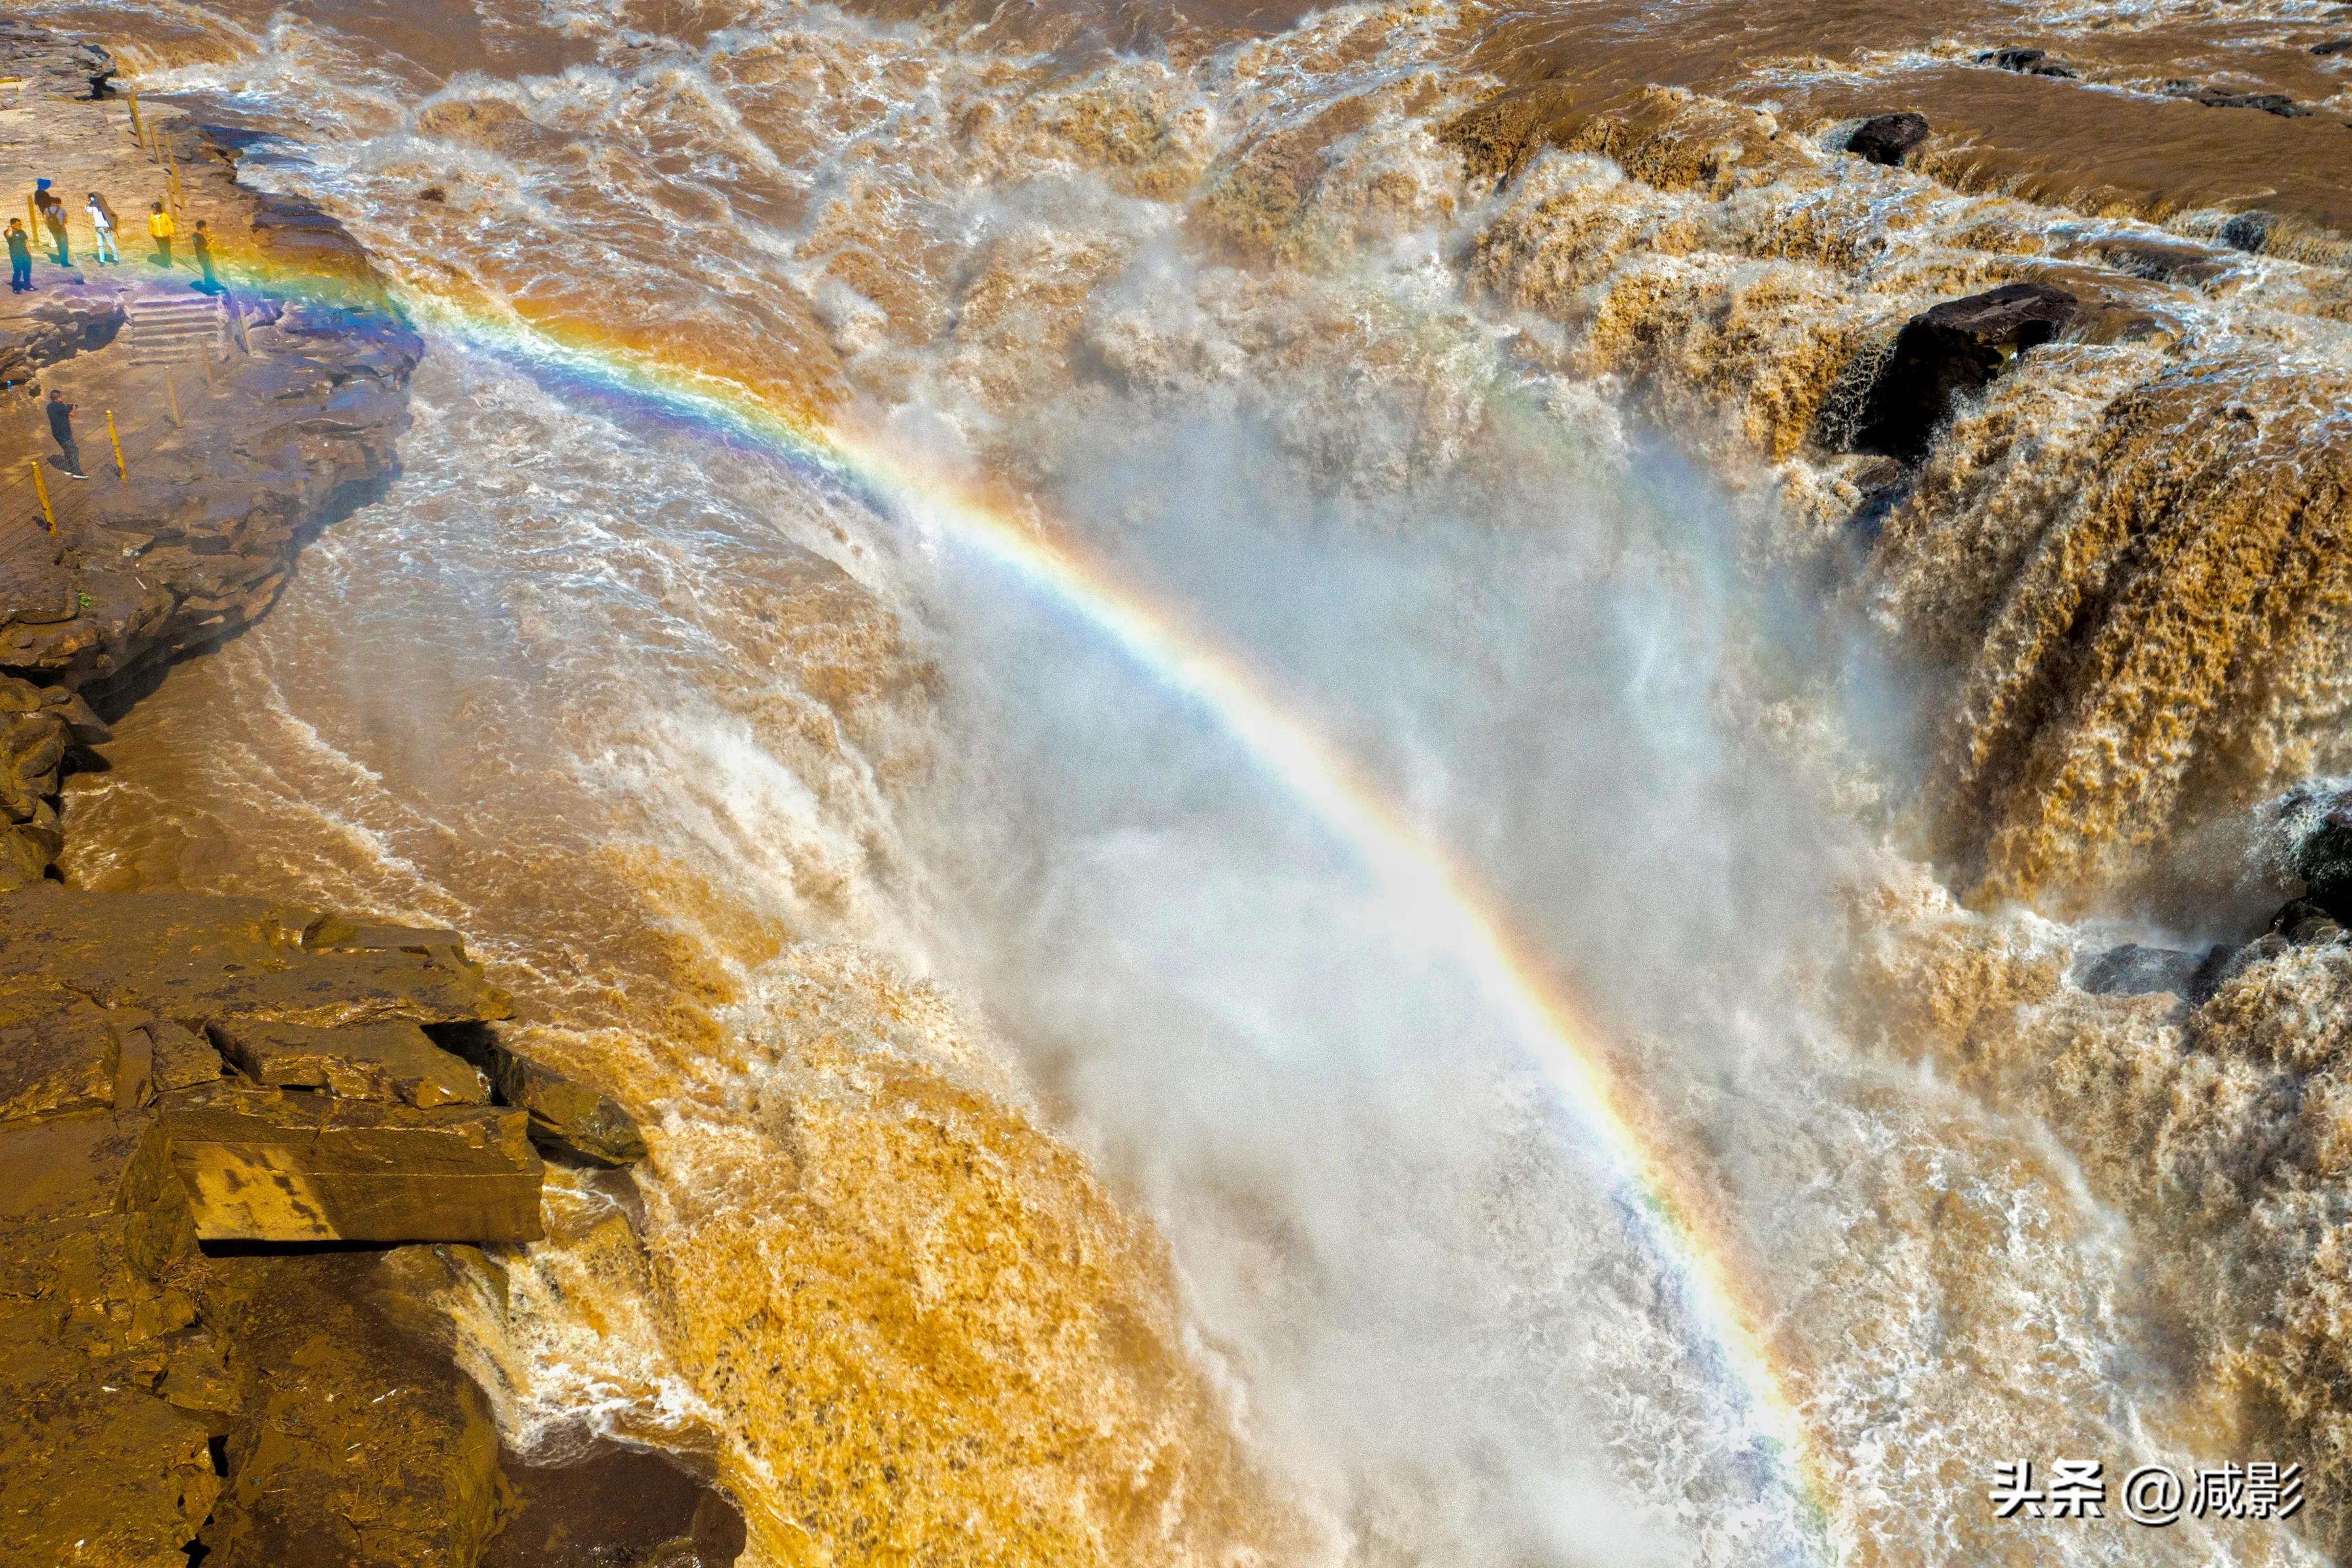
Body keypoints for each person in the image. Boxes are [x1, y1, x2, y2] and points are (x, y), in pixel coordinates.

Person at [46, 390, 86, 480]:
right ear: (58, 398)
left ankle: (70, 467)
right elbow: (72, 414)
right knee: (74, 450)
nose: (63, 398)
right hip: (64, 433)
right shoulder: (61, 407)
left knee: (67, 450)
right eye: (62, 396)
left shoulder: (49, 407)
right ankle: (77, 473)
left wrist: (68, 406)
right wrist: (74, 407)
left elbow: (61, 410)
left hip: (56, 433)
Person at [33, 178, 68, 266]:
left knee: (49, 228)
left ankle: (52, 243)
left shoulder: (37, 193)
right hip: (51, 213)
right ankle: (53, 244)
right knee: (55, 228)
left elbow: (36, 202)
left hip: (45, 212)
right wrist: (50, 199)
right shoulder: (45, 194)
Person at [85, 192, 117, 265]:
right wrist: (88, 203)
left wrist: (106, 226)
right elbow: (87, 211)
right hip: (97, 228)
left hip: (104, 227)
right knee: (100, 245)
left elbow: (107, 217)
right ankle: (102, 260)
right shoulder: (93, 206)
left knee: (110, 244)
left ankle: (116, 259)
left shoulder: (103, 207)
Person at [191, 218, 217, 291]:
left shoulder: (194, 235)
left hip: (199, 256)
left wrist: (207, 240)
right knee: (208, 271)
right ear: (202, 228)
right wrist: (212, 242)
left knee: (206, 271)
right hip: (204, 256)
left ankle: (210, 284)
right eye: (205, 227)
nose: (206, 229)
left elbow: (199, 244)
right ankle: (209, 286)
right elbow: (206, 248)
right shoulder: (201, 237)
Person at [147, 200, 174, 267]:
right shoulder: (151, 217)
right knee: (162, 250)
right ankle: (166, 263)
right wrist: (151, 233)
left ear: (158, 209)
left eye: (154, 208)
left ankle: (169, 261)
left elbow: (170, 224)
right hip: (158, 237)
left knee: (167, 249)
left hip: (166, 236)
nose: (152, 210)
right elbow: (150, 226)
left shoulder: (165, 216)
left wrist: (171, 233)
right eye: (152, 208)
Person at [5, 219, 29, 293]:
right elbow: (8, 236)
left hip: (24, 254)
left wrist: (29, 252)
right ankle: (16, 288)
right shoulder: (8, 232)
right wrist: (10, 229)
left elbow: (26, 241)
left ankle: (14, 282)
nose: (20, 226)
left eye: (21, 224)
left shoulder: (22, 232)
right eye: (19, 224)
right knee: (18, 270)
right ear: (13, 225)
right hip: (15, 254)